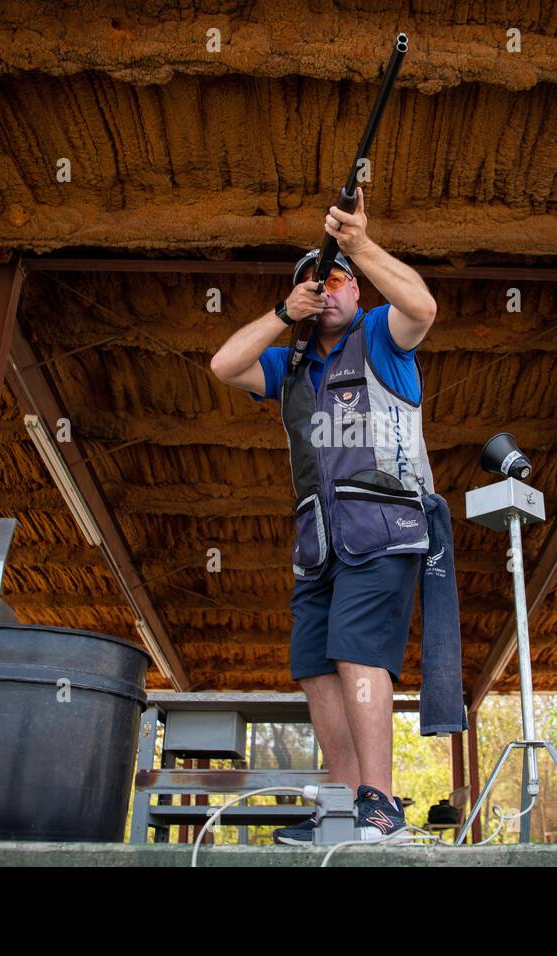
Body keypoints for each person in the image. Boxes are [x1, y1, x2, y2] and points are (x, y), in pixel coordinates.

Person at [209, 187, 439, 843]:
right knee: (314, 665)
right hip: (318, 546)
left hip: (384, 531)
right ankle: (342, 812)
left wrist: (360, 243)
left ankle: (380, 808)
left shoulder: (382, 335)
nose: (326, 290)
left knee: (358, 653)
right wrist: (285, 311)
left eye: (336, 279)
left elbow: (422, 305)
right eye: (315, 282)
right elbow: (225, 365)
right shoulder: (289, 362)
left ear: (357, 290)